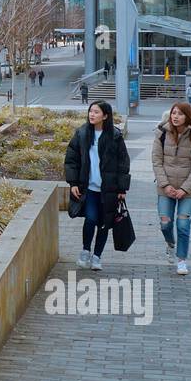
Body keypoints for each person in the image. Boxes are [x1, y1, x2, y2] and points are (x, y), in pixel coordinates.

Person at [64, 101, 131, 272]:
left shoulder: (115, 136)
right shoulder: (82, 133)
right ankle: (86, 250)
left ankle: (97, 256)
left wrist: (122, 189)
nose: (92, 115)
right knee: (91, 219)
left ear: (105, 116)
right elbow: (71, 159)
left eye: (96, 112)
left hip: (109, 189)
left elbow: (123, 163)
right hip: (89, 188)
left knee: (104, 223)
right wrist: (73, 183)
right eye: (90, 111)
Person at [153, 102, 191, 276]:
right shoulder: (161, 134)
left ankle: (182, 260)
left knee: (183, 225)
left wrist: (184, 189)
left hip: (188, 191)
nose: (175, 117)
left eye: (180, 114)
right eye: (174, 113)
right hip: (165, 188)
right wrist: (166, 185)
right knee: (165, 223)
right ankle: (170, 243)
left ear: (188, 117)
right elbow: (156, 162)